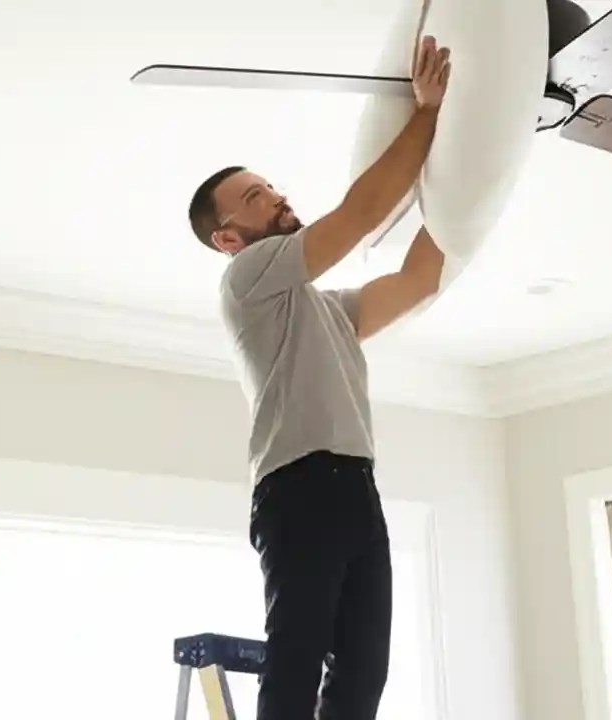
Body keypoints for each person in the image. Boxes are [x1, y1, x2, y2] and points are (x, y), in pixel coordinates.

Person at [186, 36, 453, 720]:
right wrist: (425, 116)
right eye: (255, 197)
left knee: (365, 674)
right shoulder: (246, 280)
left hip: (356, 489)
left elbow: (421, 277)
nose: (276, 197)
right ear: (227, 236)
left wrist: (469, 160)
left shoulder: (328, 312)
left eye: (272, 186)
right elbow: (358, 217)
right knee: (298, 658)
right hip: (298, 486)